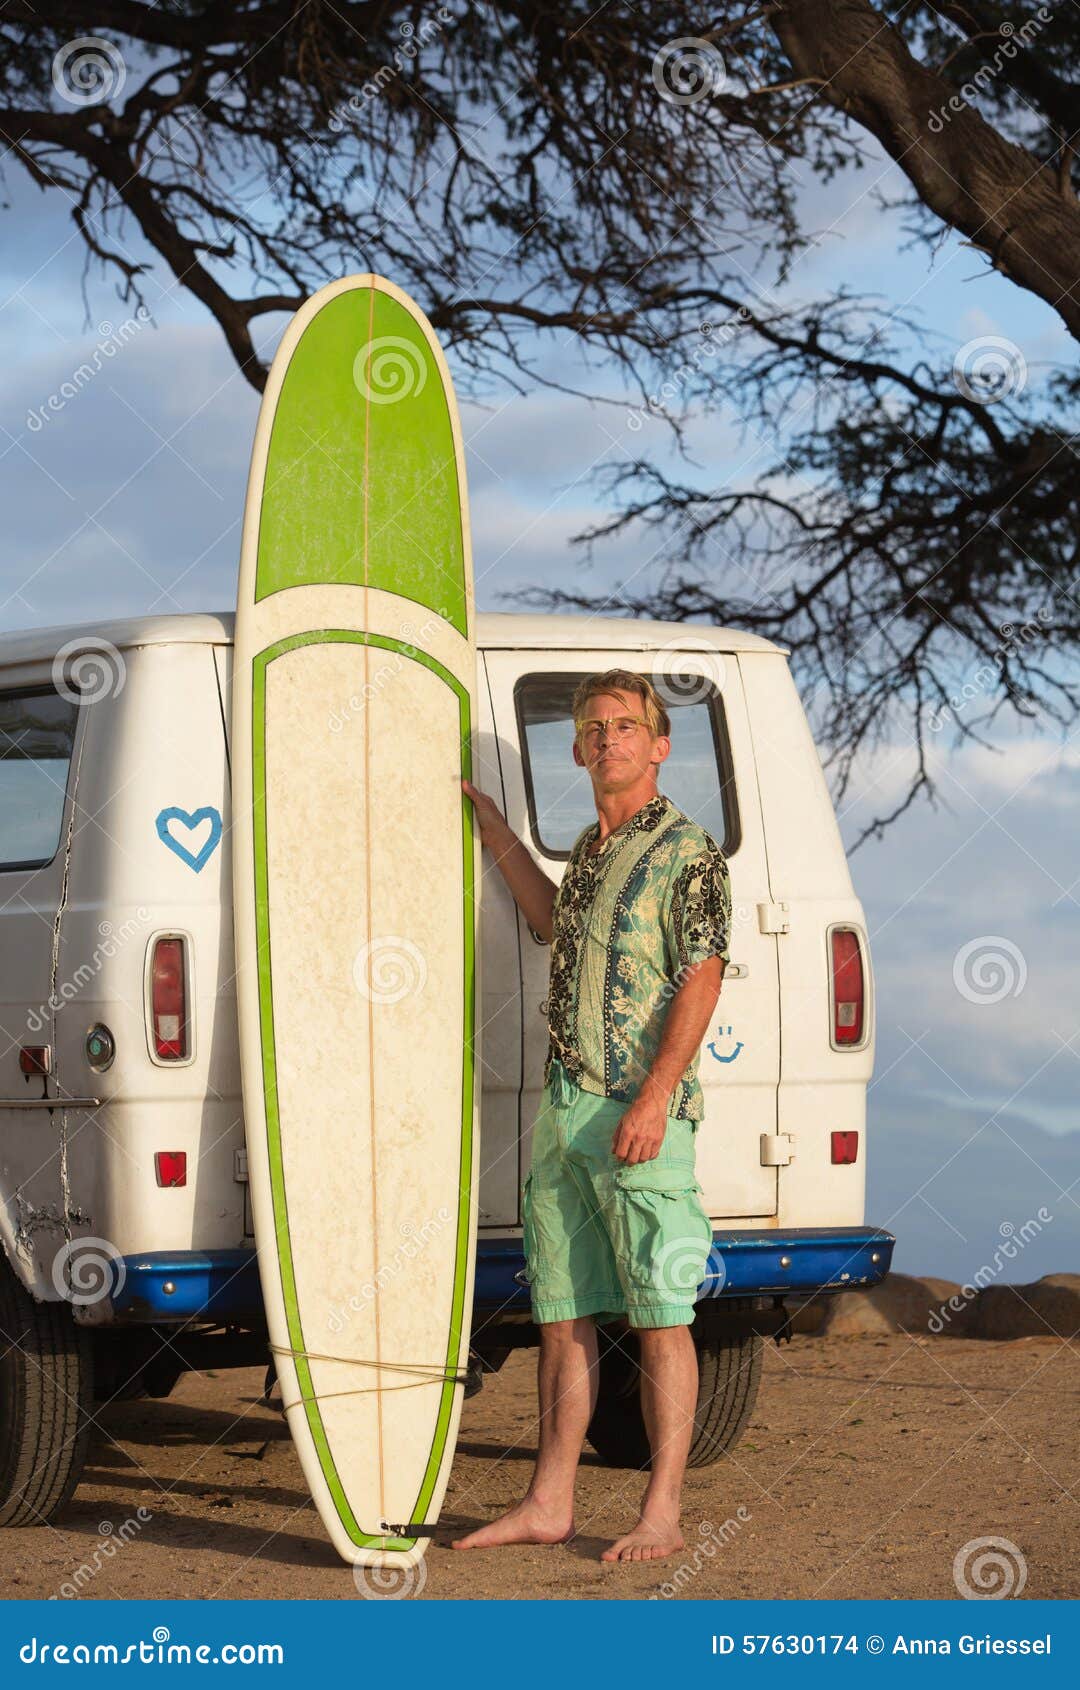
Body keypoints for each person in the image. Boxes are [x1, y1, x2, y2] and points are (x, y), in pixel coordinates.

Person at [453, 668, 731, 1564]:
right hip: (565, 1111)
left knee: (660, 1313)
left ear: (658, 743)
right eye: (593, 729)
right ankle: (549, 1501)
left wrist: (654, 1096)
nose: (608, 739)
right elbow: (547, 920)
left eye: (625, 725)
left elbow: (703, 974)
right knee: (562, 1314)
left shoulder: (688, 854)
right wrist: (496, 833)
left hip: (640, 1111)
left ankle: (662, 1514)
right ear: (577, 751)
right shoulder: (590, 851)